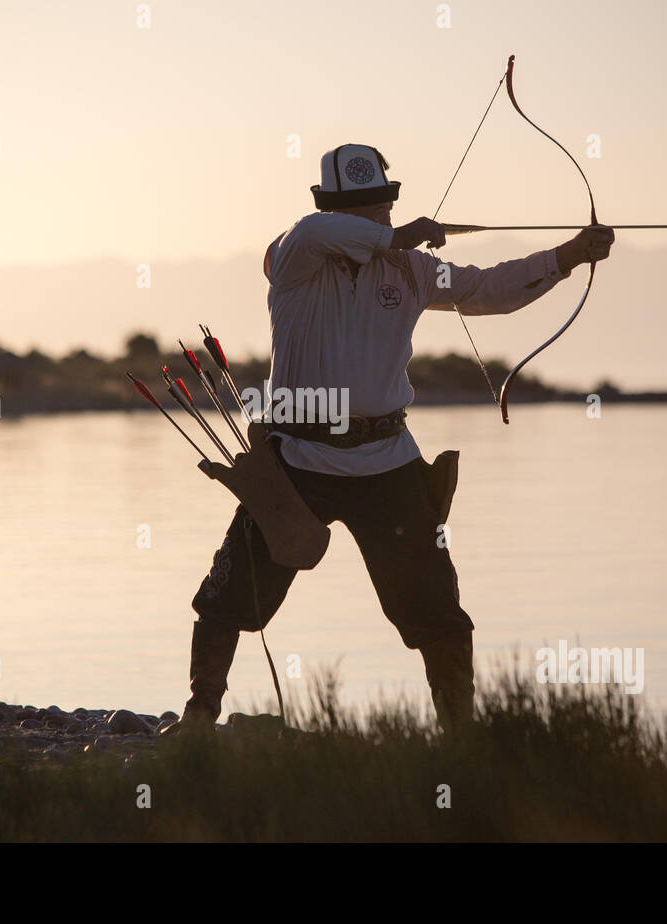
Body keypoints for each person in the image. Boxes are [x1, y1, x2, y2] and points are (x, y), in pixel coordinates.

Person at [171, 143, 614, 731]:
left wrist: (569, 257)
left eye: (380, 206)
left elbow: (488, 289)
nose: (372, 218)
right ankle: (200, 716)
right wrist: (399, 232)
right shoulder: (296, 256)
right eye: (359, 210)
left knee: (436, 607)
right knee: (230, 595)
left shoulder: (411, 269)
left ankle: (460, 737)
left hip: (388, 461)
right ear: (333, 211)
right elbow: (316, 230)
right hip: (297, 459)